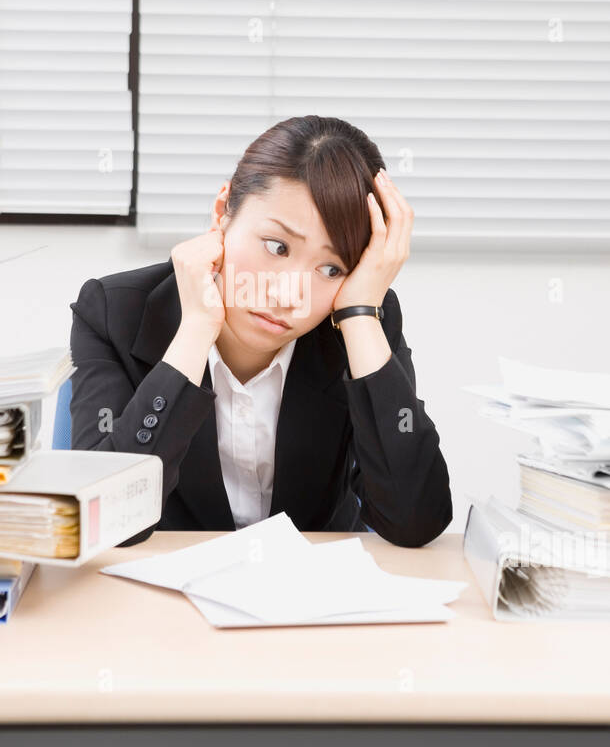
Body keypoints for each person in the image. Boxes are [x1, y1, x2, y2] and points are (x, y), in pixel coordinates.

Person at [68, 115, 452, 547]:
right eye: (277, 246)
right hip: (165, 597)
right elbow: (101, 516)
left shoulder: (357, 319)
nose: (289, 294)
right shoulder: (114, 311)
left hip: (312, 599)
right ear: (222, 212)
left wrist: (361, 317)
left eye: (331, 268)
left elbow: (415, 519)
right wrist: (195, 330)